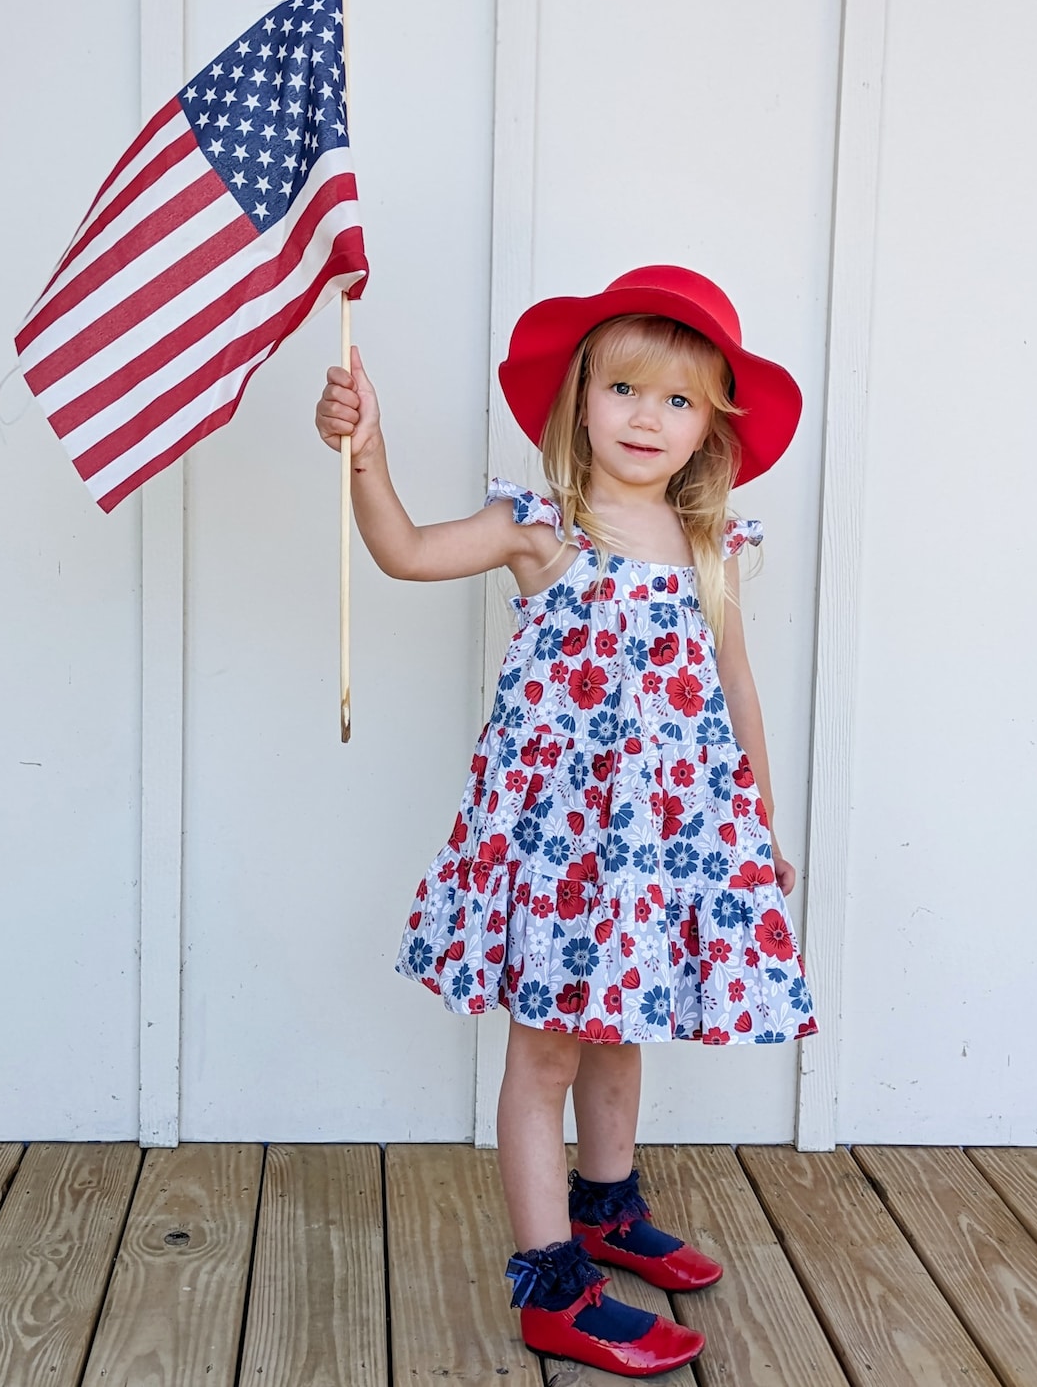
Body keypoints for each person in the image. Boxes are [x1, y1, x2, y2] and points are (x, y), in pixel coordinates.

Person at [315, 265, 817, 1377]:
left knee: (619, 1035)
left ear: (710, 428)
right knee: (545, 1053)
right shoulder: (542, 525)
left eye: (678, 400)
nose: (647, 416)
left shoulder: (709, 545)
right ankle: (551, 1281)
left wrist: (755, 822)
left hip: (662, 846)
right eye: (625, 388)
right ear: (577, 399)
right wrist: (369, 456)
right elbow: (403, 551)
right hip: (557, 850)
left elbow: (736, 691)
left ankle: (607, 1204)